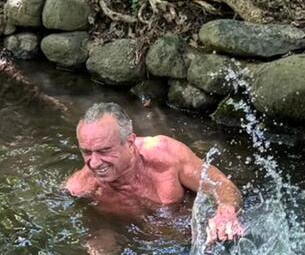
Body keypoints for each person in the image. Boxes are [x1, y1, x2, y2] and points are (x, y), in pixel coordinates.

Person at [65, 102, 244, 243]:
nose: (94, 163)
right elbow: (76, 215)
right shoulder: (82, 186)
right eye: (87, 152)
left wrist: (226, 210)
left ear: (129, 143)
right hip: (151, 252)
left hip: (206, 237)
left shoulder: (167, 155)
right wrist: (103, 232)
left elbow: (223, 185)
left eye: (104, 151)